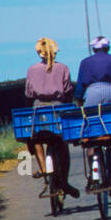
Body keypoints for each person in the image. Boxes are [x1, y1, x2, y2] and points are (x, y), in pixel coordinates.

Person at [24, 37, 79, 198]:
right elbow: (68, 90)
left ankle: (42, 168)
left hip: (38, 109)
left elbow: (28, 93)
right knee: (61, 144)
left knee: (36, 139)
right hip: (58, 108)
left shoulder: (31, 70)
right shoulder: (63, 68)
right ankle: (65, 182)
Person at [75, 36, 111, 185]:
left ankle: (93, 173)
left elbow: (79, 88)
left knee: (92, 134)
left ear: (93, 49)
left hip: (91, 94)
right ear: (108, 48)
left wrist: (80, 104)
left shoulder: (85, 62)